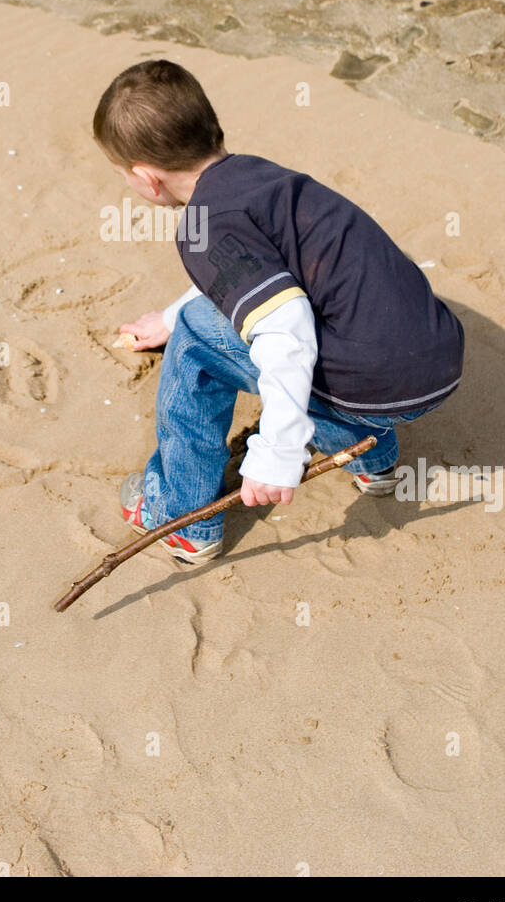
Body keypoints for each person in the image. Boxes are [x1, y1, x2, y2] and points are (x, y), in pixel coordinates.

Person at [93, 60, 465, 564]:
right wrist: (169, 312)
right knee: (208, 318)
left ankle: (184, 516)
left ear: (146, 179)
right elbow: (253, 272)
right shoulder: (258, 176)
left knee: (196, 340)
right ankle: (374, 461)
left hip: (373, 385)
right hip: (435, 360)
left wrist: (279, 451)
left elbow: (286, 330)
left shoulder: (201, 226)